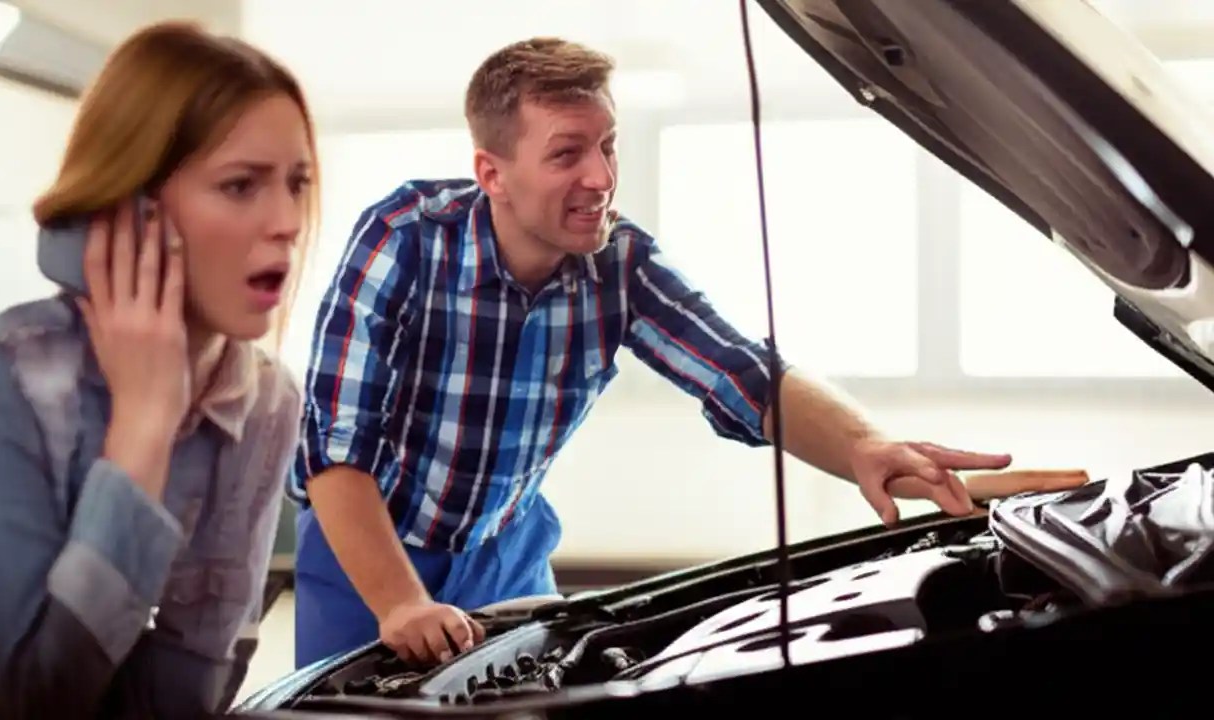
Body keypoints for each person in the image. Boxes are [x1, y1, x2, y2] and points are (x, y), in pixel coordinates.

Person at [290, 36, 1013, 670]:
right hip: (366, 540)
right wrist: (402, 605)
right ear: (492, 174)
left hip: (503, 543)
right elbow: (335, 448)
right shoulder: (405, 237)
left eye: (608, 146)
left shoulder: (621, 262)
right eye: (566, 153)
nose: (601, 179)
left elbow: (747, 376)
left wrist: (868, 446)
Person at [0, 21, 318, 719]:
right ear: (133, 210)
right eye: (240, 186)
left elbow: (190, 693)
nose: (289, 220)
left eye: (297, 183)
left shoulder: (266, 400)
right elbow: (32, 702)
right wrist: (143, 427)